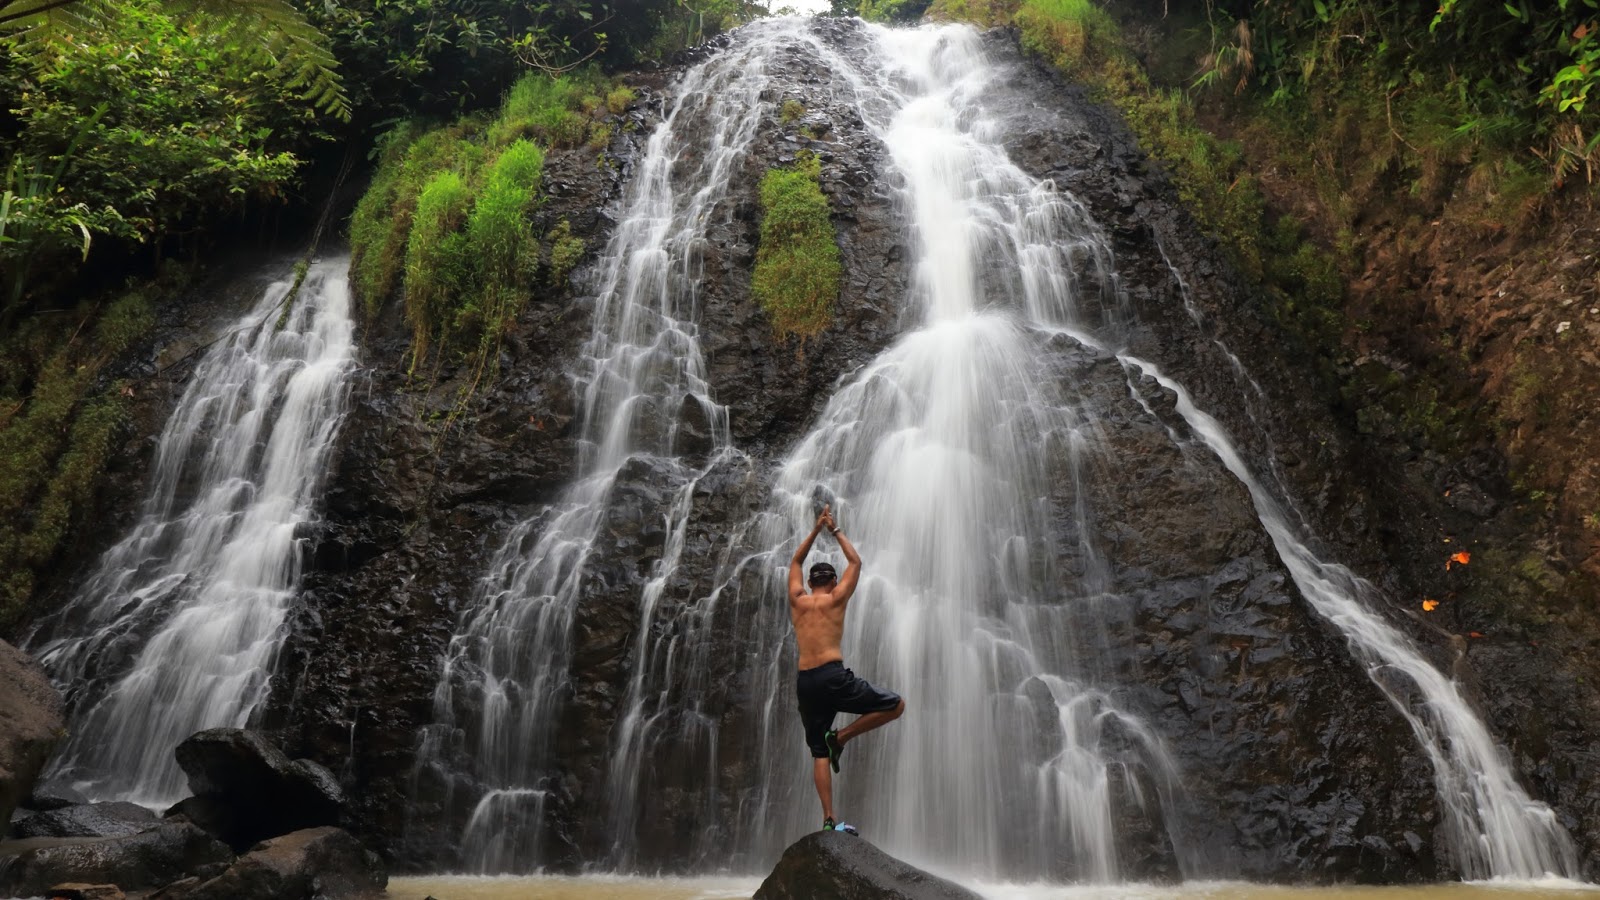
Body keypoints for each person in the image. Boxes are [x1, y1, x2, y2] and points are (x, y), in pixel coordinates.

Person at [788, 503, 905, 836]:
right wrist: (834, 529)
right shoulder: (837, 598)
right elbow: (856, 561)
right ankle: (841, 736)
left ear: (810, 583)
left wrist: (814, 530)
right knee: (895, 705)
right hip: (832, 676)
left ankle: (828, 820)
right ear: (834, 581)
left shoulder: (798, 599)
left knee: (817, 751)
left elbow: (795, 560)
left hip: (806, 681)